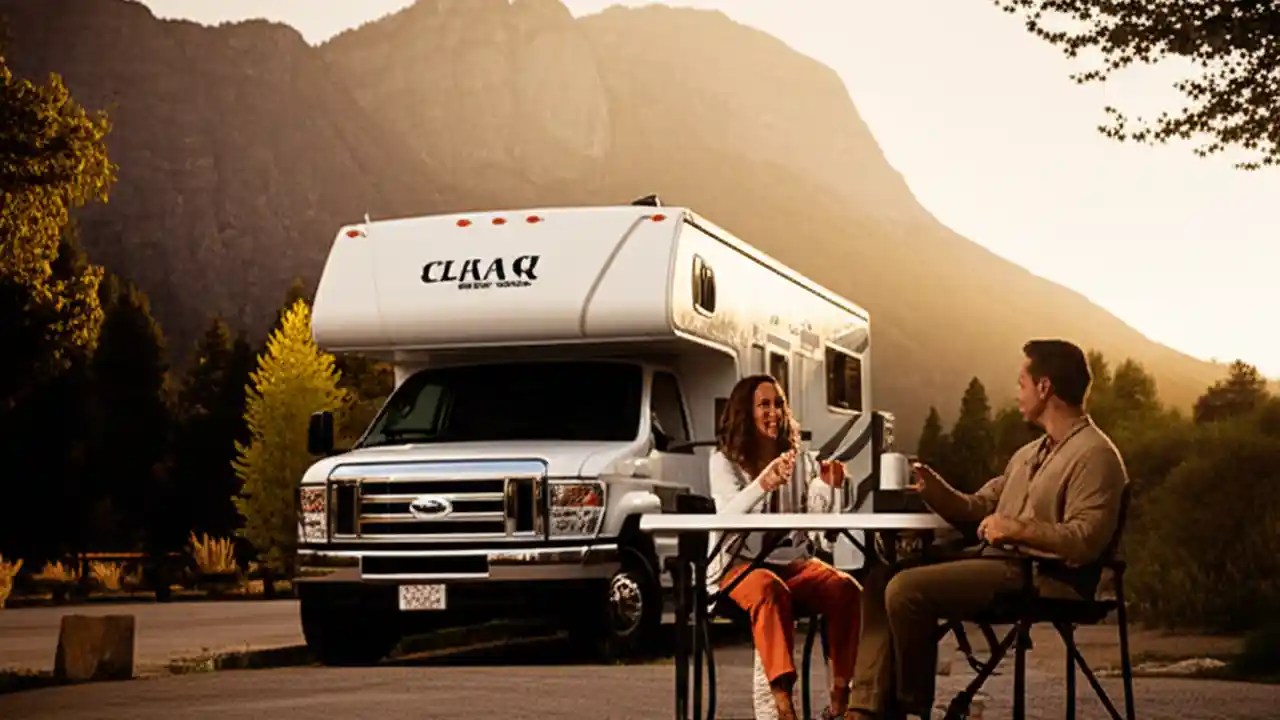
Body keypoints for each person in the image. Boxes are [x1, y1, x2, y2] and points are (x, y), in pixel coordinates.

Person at [848, 339, 1129, 719]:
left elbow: (1083, 542)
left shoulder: (1096, 455)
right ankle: (863, 710)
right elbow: (976, 507)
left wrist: (1015, 529)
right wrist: (932, 489)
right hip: (998, 565)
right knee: (881, 577)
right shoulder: (1029, 454)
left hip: (1041, 577)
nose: (1017, 392)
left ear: (1044, 387)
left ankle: (908, 709)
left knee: (906, 590)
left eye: (1022, 383)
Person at [709, 373, 863, 720]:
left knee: (846, 589)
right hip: (738, 566)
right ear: (745, 413)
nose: (774, 411)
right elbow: (728, 514)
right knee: (769, 588)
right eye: (764, 404)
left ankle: (842, 700)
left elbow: (821, 521)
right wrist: (763, 483)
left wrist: (832, 486)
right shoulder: (724, 461)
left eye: (779, 403)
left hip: (793, 563)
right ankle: (784, 708)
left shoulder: (800, 460)